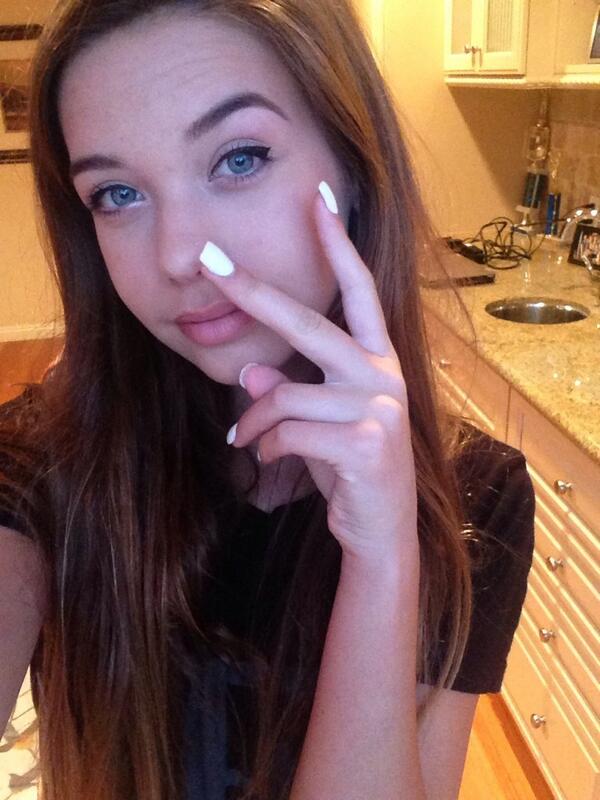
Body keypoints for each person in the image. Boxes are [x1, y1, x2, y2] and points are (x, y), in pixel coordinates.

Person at [0, 1, 535, 798]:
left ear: (353, 166)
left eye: (240, 158)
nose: (179, 255)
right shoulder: (40, 466)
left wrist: (383, 555)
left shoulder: (474, 496)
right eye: (117, 194)